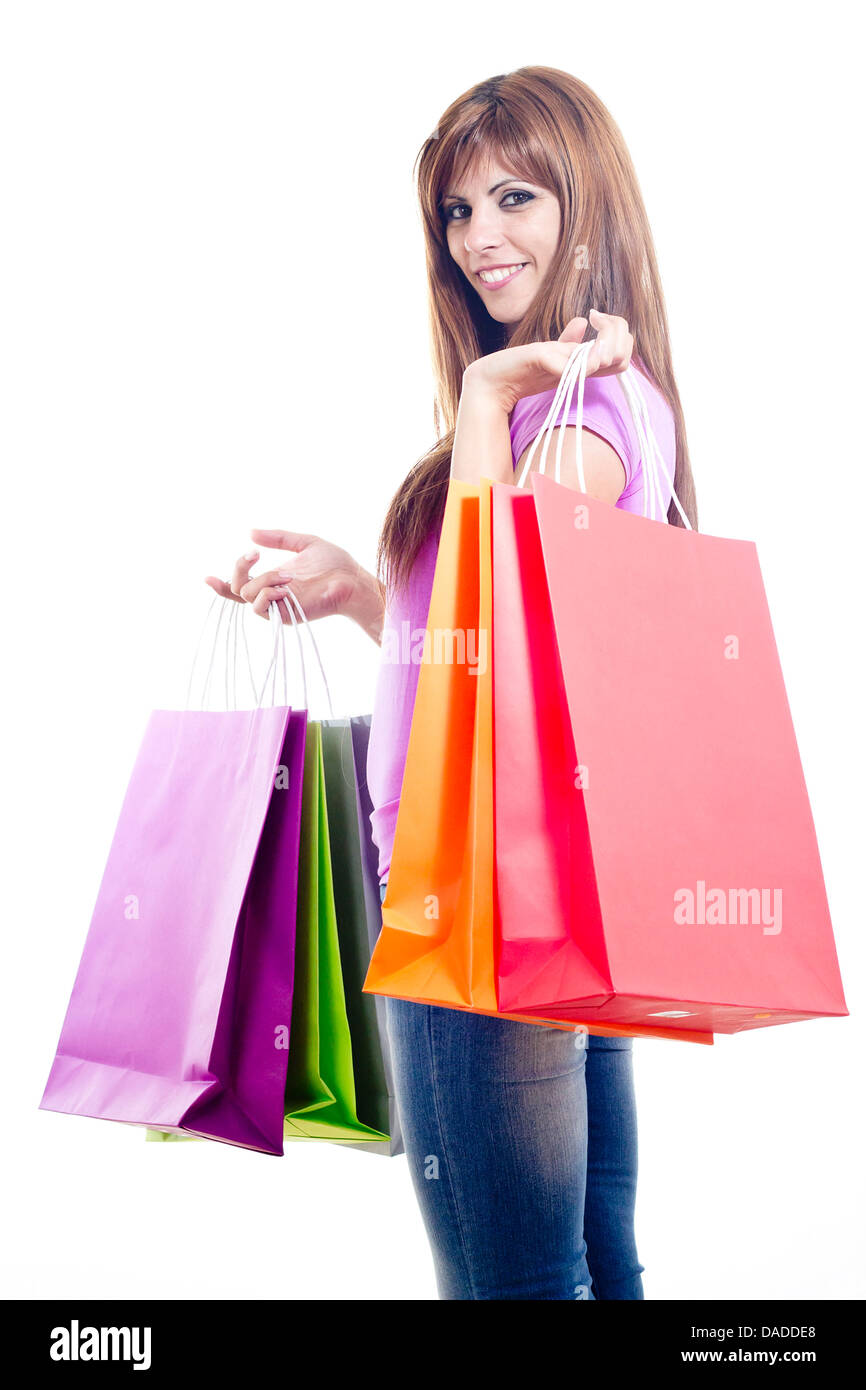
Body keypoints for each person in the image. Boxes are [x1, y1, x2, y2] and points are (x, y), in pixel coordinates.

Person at [206, 66, 698, 1301]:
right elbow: (494, 667)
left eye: (514, 197)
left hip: (467, 900)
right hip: (520, 896)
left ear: (585, 202)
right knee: (581, 1262)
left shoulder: (572, 420)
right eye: (456, 211)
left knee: (511, 1282)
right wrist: (366, 597)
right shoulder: (558, 410)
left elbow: (495, 620)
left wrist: (486, 395)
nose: (480, 239)